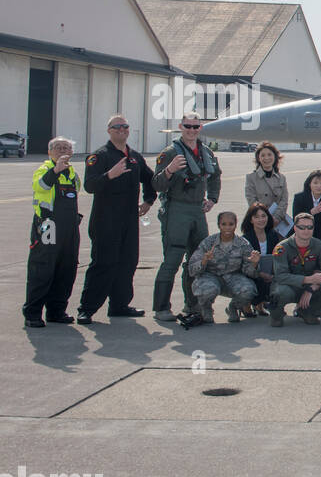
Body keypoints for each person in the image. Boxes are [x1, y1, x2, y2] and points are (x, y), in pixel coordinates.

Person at [76, 115, 155, 323]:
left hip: (129, 219)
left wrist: (148, 200)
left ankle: (119, 305)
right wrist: (110, 174)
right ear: (109, 130)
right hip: (105, 220)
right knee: (103, 263)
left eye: (125, 126)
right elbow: (90, 186)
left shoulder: (135, 157)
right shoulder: (99, 156)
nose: (122, 129)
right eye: (117, 126)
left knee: (128, 262)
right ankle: (87, 308)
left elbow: (150, 179)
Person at [152, 111, 221, 322]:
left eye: (195, 126)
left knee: (197, 261)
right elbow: (157, 184)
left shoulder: (206, 152)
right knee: (172, 259)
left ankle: (193, 305)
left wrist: (213, 199)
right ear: (180, 127)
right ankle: (161, 307)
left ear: (200, 129)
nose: (191, 130)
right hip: (177, 210)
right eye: (187, 126)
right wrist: (169, 171)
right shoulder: (170, 153)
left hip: (198, 211)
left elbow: (216, 176)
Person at [23, 137, 81, 327]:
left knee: (67, 268)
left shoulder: (72, 174)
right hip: (48, 226)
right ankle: (32, 313)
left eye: (66, 147)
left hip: (69, 229)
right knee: (42, 269)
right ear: (50, 152)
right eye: (58, 148)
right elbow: (40, 186)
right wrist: (56, 170)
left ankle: (57, 311)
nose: (62, 150)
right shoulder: (44, 169)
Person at [269, 213, 321, 326]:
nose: (306, 230)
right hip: (289, 286)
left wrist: (313, 287)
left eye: (310, 227)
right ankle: (276, 315)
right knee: (280, 293)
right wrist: (308, 279)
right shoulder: (282, 248)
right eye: (301, 227)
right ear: (294, 228)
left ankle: (307, 312)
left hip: (311, 286)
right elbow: (280, 276)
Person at [188, 211, 259, 323]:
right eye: (223, 224)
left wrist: (254, 264)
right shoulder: (208, 242)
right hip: (210, 277)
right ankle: (206, 309)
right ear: (218, 225)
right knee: (207, 289)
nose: (227, 228)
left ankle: (233, 307)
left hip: (233, 278)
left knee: (248, 290)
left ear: (235, 225)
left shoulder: (243, 244)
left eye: (231, 224)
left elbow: (250, 273)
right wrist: (204, 260)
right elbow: (192, 270)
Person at [240, 202, 281, 317]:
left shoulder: (273, 235)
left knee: (276, 283)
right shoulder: (245, 239)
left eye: (263, 216)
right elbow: (243, 265)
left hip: (269, 273)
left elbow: (277, 257)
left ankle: (260, 306)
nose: (261, 220)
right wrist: (260, 273)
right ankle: (246, 306)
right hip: (251, 273)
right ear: (251, 220)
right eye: (256, 217)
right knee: (255, 282)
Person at [243, 142, 291, 239]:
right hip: (259, 222)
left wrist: (276, 218)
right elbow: (251, 200)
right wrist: (263, 219)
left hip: (278, 223)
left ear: (275, 157)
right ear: (258, 158)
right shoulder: (251, 178)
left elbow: (284, 200)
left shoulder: (281, 178)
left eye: (269, 155)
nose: (266, 158)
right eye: (263, 155)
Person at [292, 170, 321, 249]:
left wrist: (318, 242)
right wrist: (311, 212)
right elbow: (295, 218)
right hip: (301, 235)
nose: (318, 186)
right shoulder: (299, 197)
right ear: (309, 184)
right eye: (315, 183)